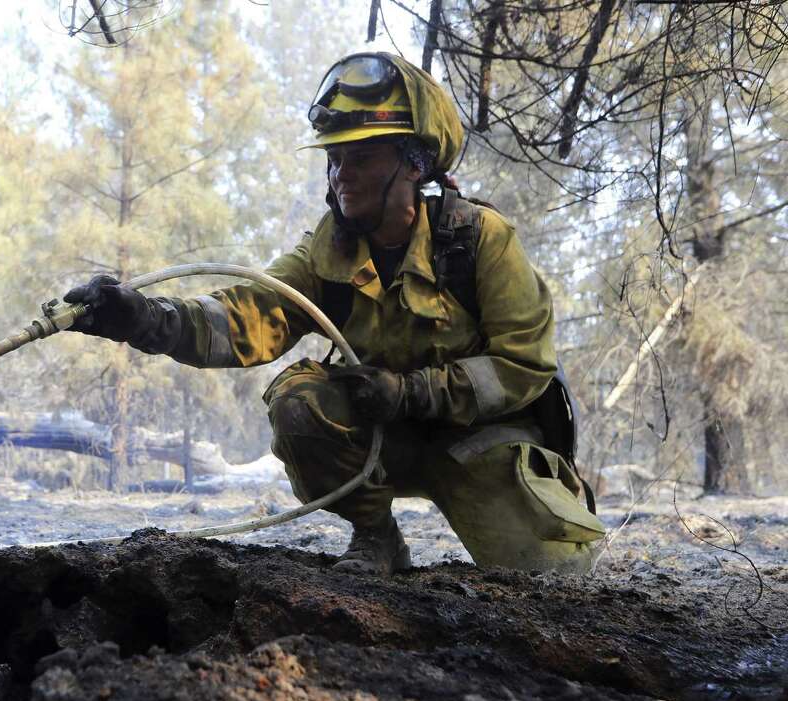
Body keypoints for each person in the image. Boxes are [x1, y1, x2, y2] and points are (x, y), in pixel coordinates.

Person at [64, 53, 606, 576]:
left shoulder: (480, 240)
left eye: (362, 158)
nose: (341, 174)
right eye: (334, 158)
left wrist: (414, 391)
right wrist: (139, 319)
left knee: (553, 580)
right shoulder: (327, 253)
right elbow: (242, 320)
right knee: (300, 403)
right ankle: (376, 535)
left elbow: (524, 366)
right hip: (383, 442)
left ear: (414, 163)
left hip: (481, 445)